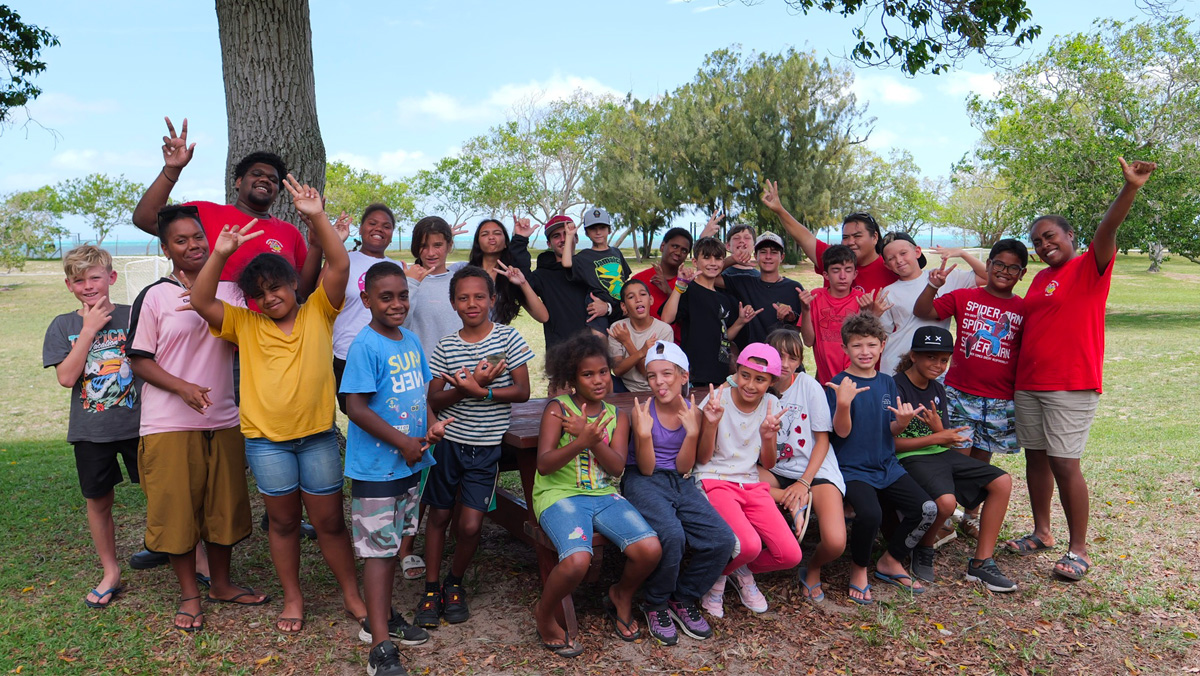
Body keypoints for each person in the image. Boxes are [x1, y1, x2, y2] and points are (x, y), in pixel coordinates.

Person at [189, 174, 367, 634]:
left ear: (293, 284)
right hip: (267, 443)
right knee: (284, 523)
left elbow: (341, 265)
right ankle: (293, 598)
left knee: (329, 522)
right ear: (252, 300)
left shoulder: (317, 310)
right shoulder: (244, 324)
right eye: (260, 293)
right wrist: (221, 252)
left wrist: (316, 217)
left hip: (318, 440)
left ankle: (352, 594)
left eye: (278, 287)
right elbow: (201, 298)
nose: (271, 298)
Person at [1004, 158, 1157, 581]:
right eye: (1036, 241)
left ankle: (1079, 549)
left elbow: (1106, 230)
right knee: (1035, 459)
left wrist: (1129, 189)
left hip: (1070, 384)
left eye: (1049, 236)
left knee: (1064, 463)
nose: (1043, 245)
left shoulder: (1091, 266)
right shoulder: (1039, 280)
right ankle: (1042, 531)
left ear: (1070, 236)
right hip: (1029, 383)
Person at [127, 207, 268, 632]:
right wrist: (182, 387)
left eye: (198, 237)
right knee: (178, 513)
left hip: (223, 419)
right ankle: (190, 594)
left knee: (223, 509)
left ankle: (221, 583)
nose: (193, 246)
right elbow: (139, 360)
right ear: (166, 248)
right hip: (169, 424)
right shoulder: (155, 295)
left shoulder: (231, 290)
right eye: (181, 240)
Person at [341, 261, 454, 675]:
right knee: (378, 551)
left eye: (402, 295)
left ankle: (383, 618)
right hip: (376, 469)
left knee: (393, 545)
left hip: (409, 464)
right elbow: (354, 407)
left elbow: (422, 394)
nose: (396, 304)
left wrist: (428, 428)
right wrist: (404, 442)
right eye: (385, 297)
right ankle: (380, 646)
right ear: (367, 299)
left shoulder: (409, 340)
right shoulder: (364, 346)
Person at [532, 332, 662, 656]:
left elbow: (617, 468)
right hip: (559, 496)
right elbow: (545, 465)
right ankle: (544, 613)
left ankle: (621, 593)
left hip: (604, 495)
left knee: (650, 549)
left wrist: (592, 440)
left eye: (603, 371)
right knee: (578, 560)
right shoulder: (557, 410)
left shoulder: (616, 416)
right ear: (573, 378)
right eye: (588, 374)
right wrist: (578, 441)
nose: (599, 380)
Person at [418, 266, 533, 628]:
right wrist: (463, 390)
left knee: (469, 525)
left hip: (485, 449)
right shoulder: (447, 346)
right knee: (438, 516)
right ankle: (432, 587)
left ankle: (455, 582)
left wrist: (483, 391)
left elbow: (523, 391)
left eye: (479, 296)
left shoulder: (508, 339)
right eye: (463, 297)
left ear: (493, 300)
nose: (472, 303)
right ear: (453, 303)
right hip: (449, 444)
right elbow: (434, 396)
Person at [42, 245, 143, 609]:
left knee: (165, 493)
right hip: (91, 432)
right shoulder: (63, 325)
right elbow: (67, 378)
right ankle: (111, 571)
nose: (88, 285)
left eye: (95, 277)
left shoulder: (135, 315)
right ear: (69, 285)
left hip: (141, 425)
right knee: (98, 502)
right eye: (79, 280)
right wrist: (88, 330)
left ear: (111, 278)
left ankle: (192, 558)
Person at [130, 117, 321, 300]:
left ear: (277, 192)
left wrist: (318, 243)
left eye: (273, 180)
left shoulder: (290, 232)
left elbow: (302, 292)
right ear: (239, 182)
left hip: (270, 331)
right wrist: (172, 169)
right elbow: (145, 218)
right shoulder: (202, 213)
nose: (265, 179)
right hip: (213, 325)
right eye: (256, 174)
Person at [913, 239, 1028, 537]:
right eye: (999, 265)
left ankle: (971, 514)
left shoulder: (1022, 309)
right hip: (960, 393)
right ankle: (947, 512)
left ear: (1022, 273)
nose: (1004, 271)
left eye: (1012, 268)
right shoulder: (963, 296)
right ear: (988, 266)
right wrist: (933, 286)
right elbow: (923, 310)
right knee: (957, 455)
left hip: (999, 399)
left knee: (982, 458)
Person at [623, 341, 735, 644]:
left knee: (721, 539)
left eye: (667, 374)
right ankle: (656, 601)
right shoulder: (642, 413)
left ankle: (683, 597)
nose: (659, 383)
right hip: (643, 479)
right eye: (652, 376)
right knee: (672, 535)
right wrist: (643, 434)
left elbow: (686, 466)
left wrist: (696, 431)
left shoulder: (692, 413)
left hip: (679, 480)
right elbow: (645, 469)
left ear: (684, 376)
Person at [892, 327, 1017, 592]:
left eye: (943, 360)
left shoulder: (938, 389)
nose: (937, 365)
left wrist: (940, 432)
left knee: (1002, 481)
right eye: (930, 357)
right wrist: (937, 437)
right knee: (946, 504)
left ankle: (982, 562)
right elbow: (890, 445)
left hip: (939, 454)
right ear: (913, 356)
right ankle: (924, 546)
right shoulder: (895, 386)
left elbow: (946, 437)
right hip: (910, 457)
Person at [826, 314, 936, 604]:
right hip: (853, 468)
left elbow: (889, 428)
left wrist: (900, 423)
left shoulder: (887, 382)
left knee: (926, 509)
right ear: (845, 349)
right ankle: (859, 569)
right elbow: (841, 431)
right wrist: (844, 404)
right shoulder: (838, 385)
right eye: (857, 345)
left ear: (882, 346)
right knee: (871, 515)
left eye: (872, 344)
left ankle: (890, 559)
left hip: (886, 465)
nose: (865, 351)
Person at [694, 344, 802, 617]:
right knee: (749, 545)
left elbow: (767, 464)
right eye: (745, 375)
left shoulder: (772, 405)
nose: (750, 384)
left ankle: (731, 572)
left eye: (760, 379)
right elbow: (703, 458)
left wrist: (768, 437)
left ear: (772, 382)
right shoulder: (718, 398)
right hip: (714, 478)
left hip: (751, 482)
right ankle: (718, 580)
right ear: (737, 372)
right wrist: (711, 423)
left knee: (790, 555)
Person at [759, 329, 845, 605]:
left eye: (792, 357)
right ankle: (793, 503)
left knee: (835, 542)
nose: (785, 363)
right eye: (779, 355)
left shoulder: (808, 386)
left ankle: (813, 567)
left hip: (815, 471)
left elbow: (822, 441)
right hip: (775, 470)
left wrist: (804, 483)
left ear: (799, 362)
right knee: (739, 481)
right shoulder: (757, 386)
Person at [876, 232, 985, 376]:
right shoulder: (888, 292)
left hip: (933, 367)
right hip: (896, 366)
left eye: (903, 253)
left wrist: (961, 253)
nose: (899, 260)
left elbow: (988, 277)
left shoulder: (946, 277)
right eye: (891, 258)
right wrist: (873, 314)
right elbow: (883, 335)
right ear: (886, 265)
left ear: (917, 252)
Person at [761, 179, 897, 293]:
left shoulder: (892, 268)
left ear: (874, 237)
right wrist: (780, 210)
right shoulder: (832, 258)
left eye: (857, 236)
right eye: (845, 237)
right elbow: (804, 237)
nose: (850, 242)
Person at [660, 237, 756, 389]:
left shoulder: (726, 299)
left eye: (718, 258)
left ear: (723, 263)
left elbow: (724, 336)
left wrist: (741, 321)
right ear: (695, 262)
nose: (713, 263)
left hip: (720, 375)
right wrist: (679, 287)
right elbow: (666, 318)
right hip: (694, 374)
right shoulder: (688, 291)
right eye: (706, 257)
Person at [334, 204, 398, 414]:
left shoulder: (398, 267)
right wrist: (336, 244)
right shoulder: (345, 259)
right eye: (372, 223)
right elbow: (320, 293)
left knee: (390, 413)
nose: (379, 229)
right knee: (356, 415)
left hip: (388, 356)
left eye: (386, 226)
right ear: (360, 229)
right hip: (349, 353)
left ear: (391, 234)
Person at [509, 215, 595, 353]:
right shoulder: (543, 275)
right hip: (560, 353)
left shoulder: (590, 268)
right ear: (549, 244)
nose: (562, 239)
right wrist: (520, 239)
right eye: (556, 236)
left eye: (566, 234)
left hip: (595, 350)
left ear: (576, 238)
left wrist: (607, 307)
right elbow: (521, 279)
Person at [798, 244, 874, 384]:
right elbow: (808, 341)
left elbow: (866, 344)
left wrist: (867, 312)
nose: (842, 276)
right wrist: (805, 310)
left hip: (855, 380)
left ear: (855, 274)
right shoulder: (816, 297)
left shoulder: (862, 300)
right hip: (824, 380)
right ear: (826, 274)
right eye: (836, 270)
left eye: (848, 270)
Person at [717, 232, 806, 348]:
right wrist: (733, 259)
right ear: (756, 256)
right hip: (753, 359)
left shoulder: (794, 288)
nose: (768, 256)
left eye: (774, 252)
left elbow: (802, 332)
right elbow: (710, 277)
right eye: (763, 252)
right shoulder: (745, 282)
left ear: (782, 257)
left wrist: (791, 318)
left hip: (783, 359)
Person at [403, 216, 469, 353]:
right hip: (421, 369)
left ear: (449, 245)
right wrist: (410, 284)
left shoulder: (461, 282)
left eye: (437, 245)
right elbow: (400, 325)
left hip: (459, 369)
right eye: (423, 246)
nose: (431, 253)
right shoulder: (406, 281)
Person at [468, 218, 549, 325]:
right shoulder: (462, 271)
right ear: (477, 243)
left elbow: (543, 316)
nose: (491, 237)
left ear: (506, 243)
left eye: (497, 233)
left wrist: (523, 283)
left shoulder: (511, 277)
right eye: (484, 234)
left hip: (496, 339)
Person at [562, 207, 632, 332]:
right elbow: (567, 263)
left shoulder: (616, 252)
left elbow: (624, 280)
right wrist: (569, 236)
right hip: (598, 302)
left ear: (609, 230)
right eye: (593, 229)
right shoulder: (584, 256)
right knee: (599, 341)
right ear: (587, 233)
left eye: (602, 228)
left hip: (618, 303)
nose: (598, 232)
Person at [607, 279, 675, 393]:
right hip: (624, 387)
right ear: (623, 306)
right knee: (605, 379)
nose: (638, 300)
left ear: (651, 300)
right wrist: (641, 351)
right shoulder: (618, 328)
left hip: (655, 388)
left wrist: (628, 343)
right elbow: (617, 370)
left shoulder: (664, 330)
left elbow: (650, 374)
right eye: (631, 297)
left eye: (643, 294)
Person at [629, 226, 692, 341]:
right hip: (641, 347)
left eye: (684, 250)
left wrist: (669, 291)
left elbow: (689, 321)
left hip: (675, 349)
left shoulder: (688, 283)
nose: (678, 252)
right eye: (674, 246)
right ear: (663, 246)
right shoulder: (638, 280)